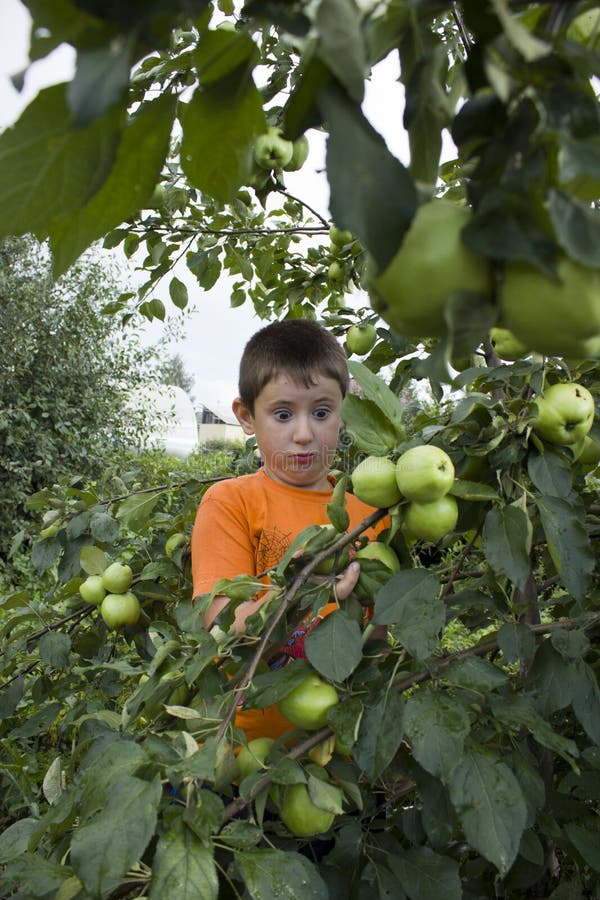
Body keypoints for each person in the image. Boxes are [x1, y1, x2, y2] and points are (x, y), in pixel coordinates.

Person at [191, 319, 388, 741]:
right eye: (282, 414)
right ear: (246, 417)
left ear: (345, 413)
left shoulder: (371, 512)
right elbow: (223, 628)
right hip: (251, 758)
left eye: (321, 412)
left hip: (345, 753)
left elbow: (381, 637)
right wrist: (304, 593)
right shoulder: (230, 504)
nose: (303, 434)